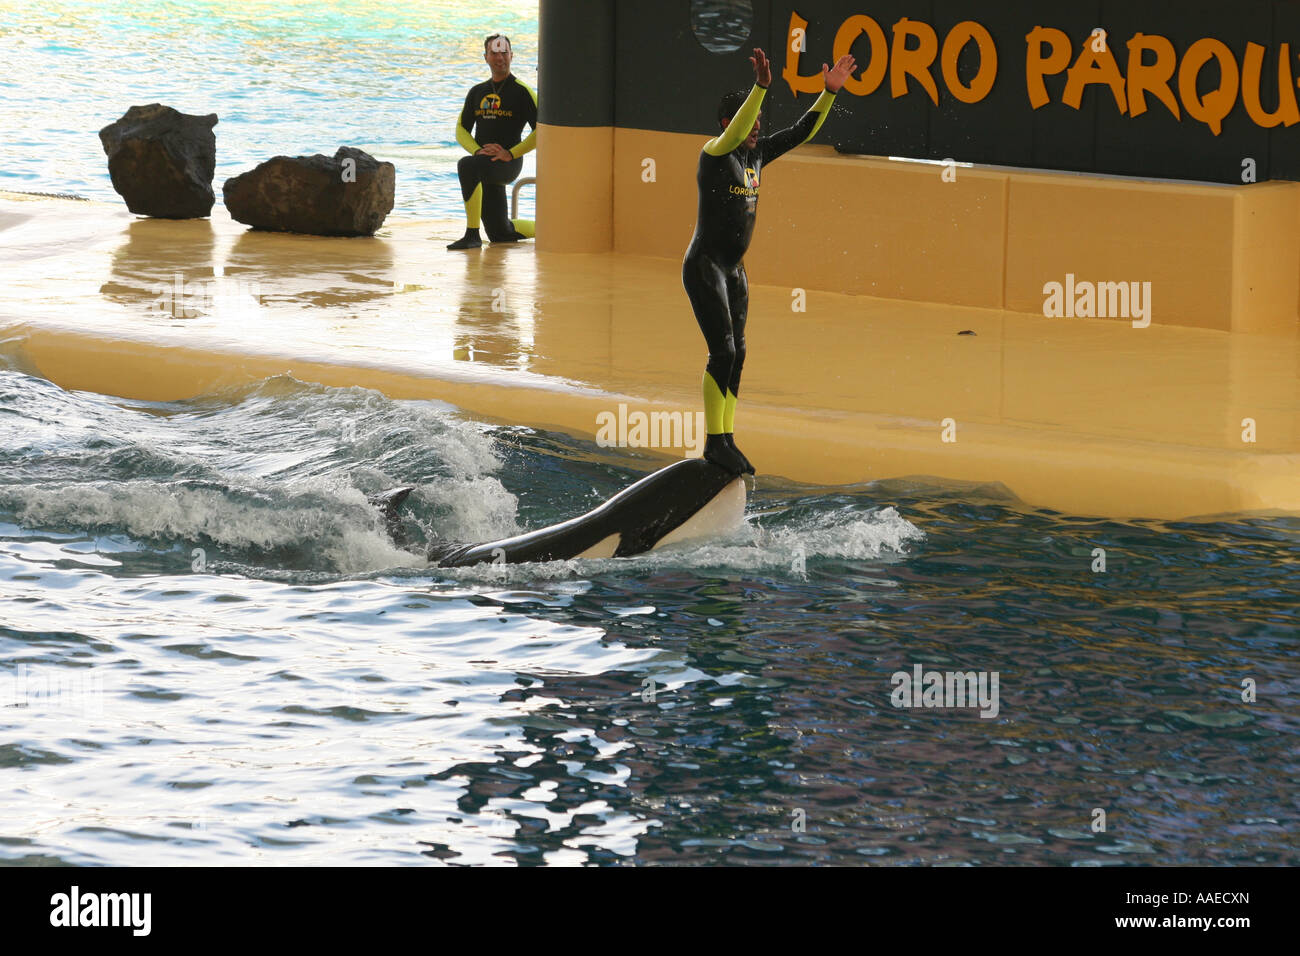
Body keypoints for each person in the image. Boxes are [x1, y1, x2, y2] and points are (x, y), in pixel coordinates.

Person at [683, 47, 856, 474]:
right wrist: (761, 87)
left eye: (760, 123)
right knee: (720, 351)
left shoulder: (756, 156)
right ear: (729, 124)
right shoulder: (715, 154)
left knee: (738, 352)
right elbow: (742, 123)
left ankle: (728, 438)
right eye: (750, 122)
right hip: (704, 266)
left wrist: (828, 94)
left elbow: (801, 130)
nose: (757, 129)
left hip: (735, 270)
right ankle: (713, 442)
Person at [447, 34, 537, 250]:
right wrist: (477, 150)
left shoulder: (522, 91)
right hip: (483, 163)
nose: (500, 58)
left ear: (512, 56)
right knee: (500, 233)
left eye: (504, 53)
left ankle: (472, 235)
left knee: (466, 165)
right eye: (494, 53)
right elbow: (461, 129)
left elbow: (541, 131)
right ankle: (550, 228)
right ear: (485, 57)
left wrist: (511, 153)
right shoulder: (477, 92)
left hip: (507, 164)